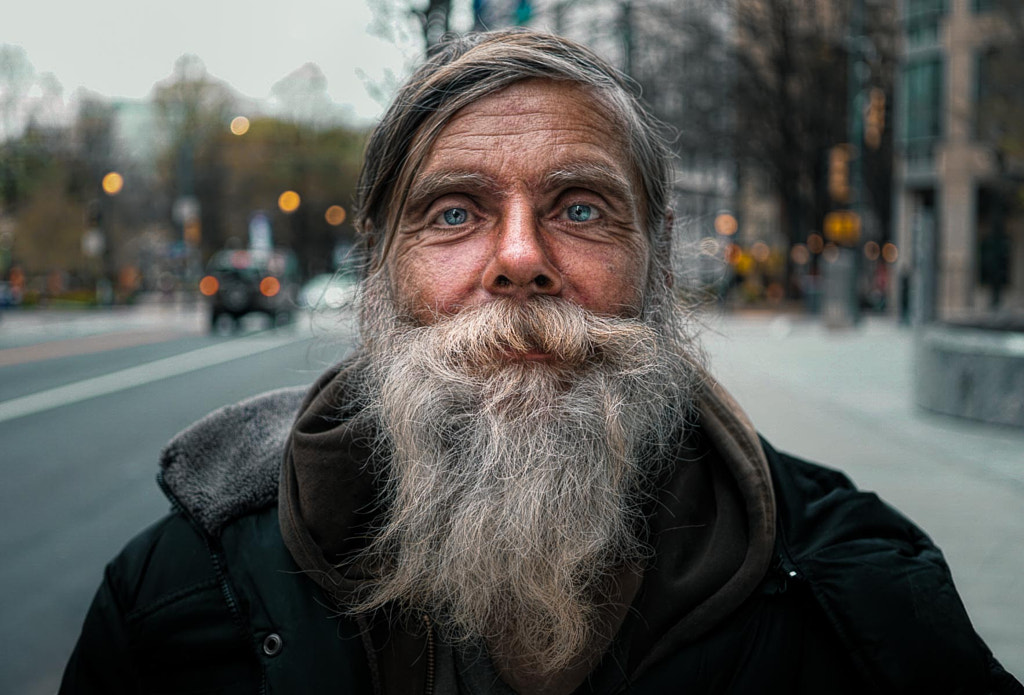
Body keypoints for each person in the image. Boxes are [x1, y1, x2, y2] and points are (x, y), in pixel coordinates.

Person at [61, 30, 1021, 695]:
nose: (520, 257)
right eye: (454, 213)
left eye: (580, 208)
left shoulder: (858, 593)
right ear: (382, 270)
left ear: (656, 255)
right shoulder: (183, 590)